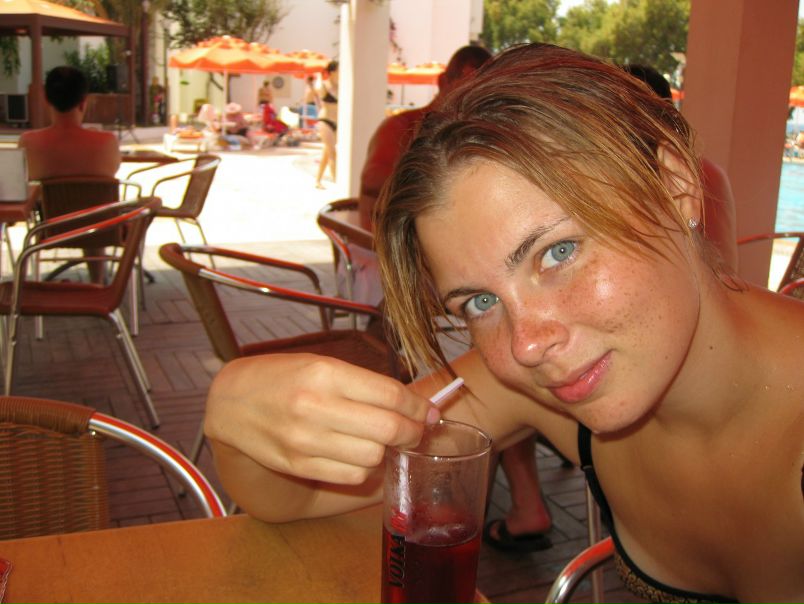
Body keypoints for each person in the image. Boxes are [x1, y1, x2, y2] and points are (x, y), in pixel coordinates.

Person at [205, 43, 804, 602]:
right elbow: (296, 497)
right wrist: (238, 410)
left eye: (558, 252)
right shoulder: (555, 382)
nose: (527, 345)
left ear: (674, 186)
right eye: (479, 303)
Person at [18, 65, 121, 282]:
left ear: (46, 99)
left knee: (92, 209)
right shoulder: (106, 142)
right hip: (100, 229)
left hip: (51, 229)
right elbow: (112, 171)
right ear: (83, 101)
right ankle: (98, 282)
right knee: (96, 208)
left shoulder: (29, 142)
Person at [314, 61, 338, 188]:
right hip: (325, 121)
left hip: (337, 122)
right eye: (339, 70)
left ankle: (317, 180)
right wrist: (319, 75)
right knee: (332, 152)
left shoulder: (341, 87)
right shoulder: (323, 85)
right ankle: (338, 182)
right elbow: (317, 90)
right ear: (332, 72)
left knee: (327, 152)